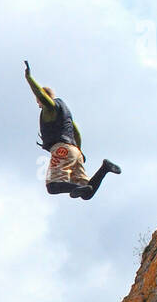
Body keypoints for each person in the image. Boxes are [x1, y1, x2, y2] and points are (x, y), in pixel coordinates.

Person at [24, 61, 120, 199]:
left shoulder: (50, 108)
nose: (39, 105)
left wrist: (29, 77)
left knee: (52, 186)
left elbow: (40, 93)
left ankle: (80, 187)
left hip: (61, 149)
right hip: (75, 151)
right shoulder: (65, 112)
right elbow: (77, 133)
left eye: (38, 102)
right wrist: (79, 151)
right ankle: (105, 168)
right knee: (87, 194)